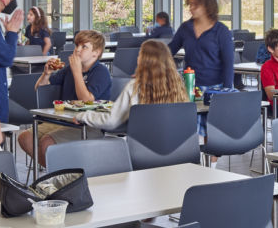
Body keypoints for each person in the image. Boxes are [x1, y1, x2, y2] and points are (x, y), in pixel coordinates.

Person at [35, 40, 188, 150]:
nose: (137, 58)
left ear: (145, 60)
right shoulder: (179, 87)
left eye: (140, 54)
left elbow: (111, 121)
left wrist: (83, 116)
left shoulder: (135, 87)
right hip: (178, 150)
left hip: (141, 150)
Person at [15, 30, 106, 163]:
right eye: (77, 46)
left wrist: (77, 72)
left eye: (84, 47)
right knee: (25, 137)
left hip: (88, 125)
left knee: (48, 142)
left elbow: (86, 100)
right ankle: (55, 172)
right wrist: (46, 74)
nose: (77, 50)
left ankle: (58, 174)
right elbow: (39, 89)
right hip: (63, 120)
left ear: (96, 53)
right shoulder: (69, 69)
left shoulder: (101, 72)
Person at [167, 0, 235, 93]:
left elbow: (228, 64)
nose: (191, 8)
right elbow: (169, 51)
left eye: (195, 5)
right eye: (190, 4)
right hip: (190, 88)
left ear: (207, 6)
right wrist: (146, 66)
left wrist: (226, 91)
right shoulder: (185, 28)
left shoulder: (222, 31)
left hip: (216, 88)